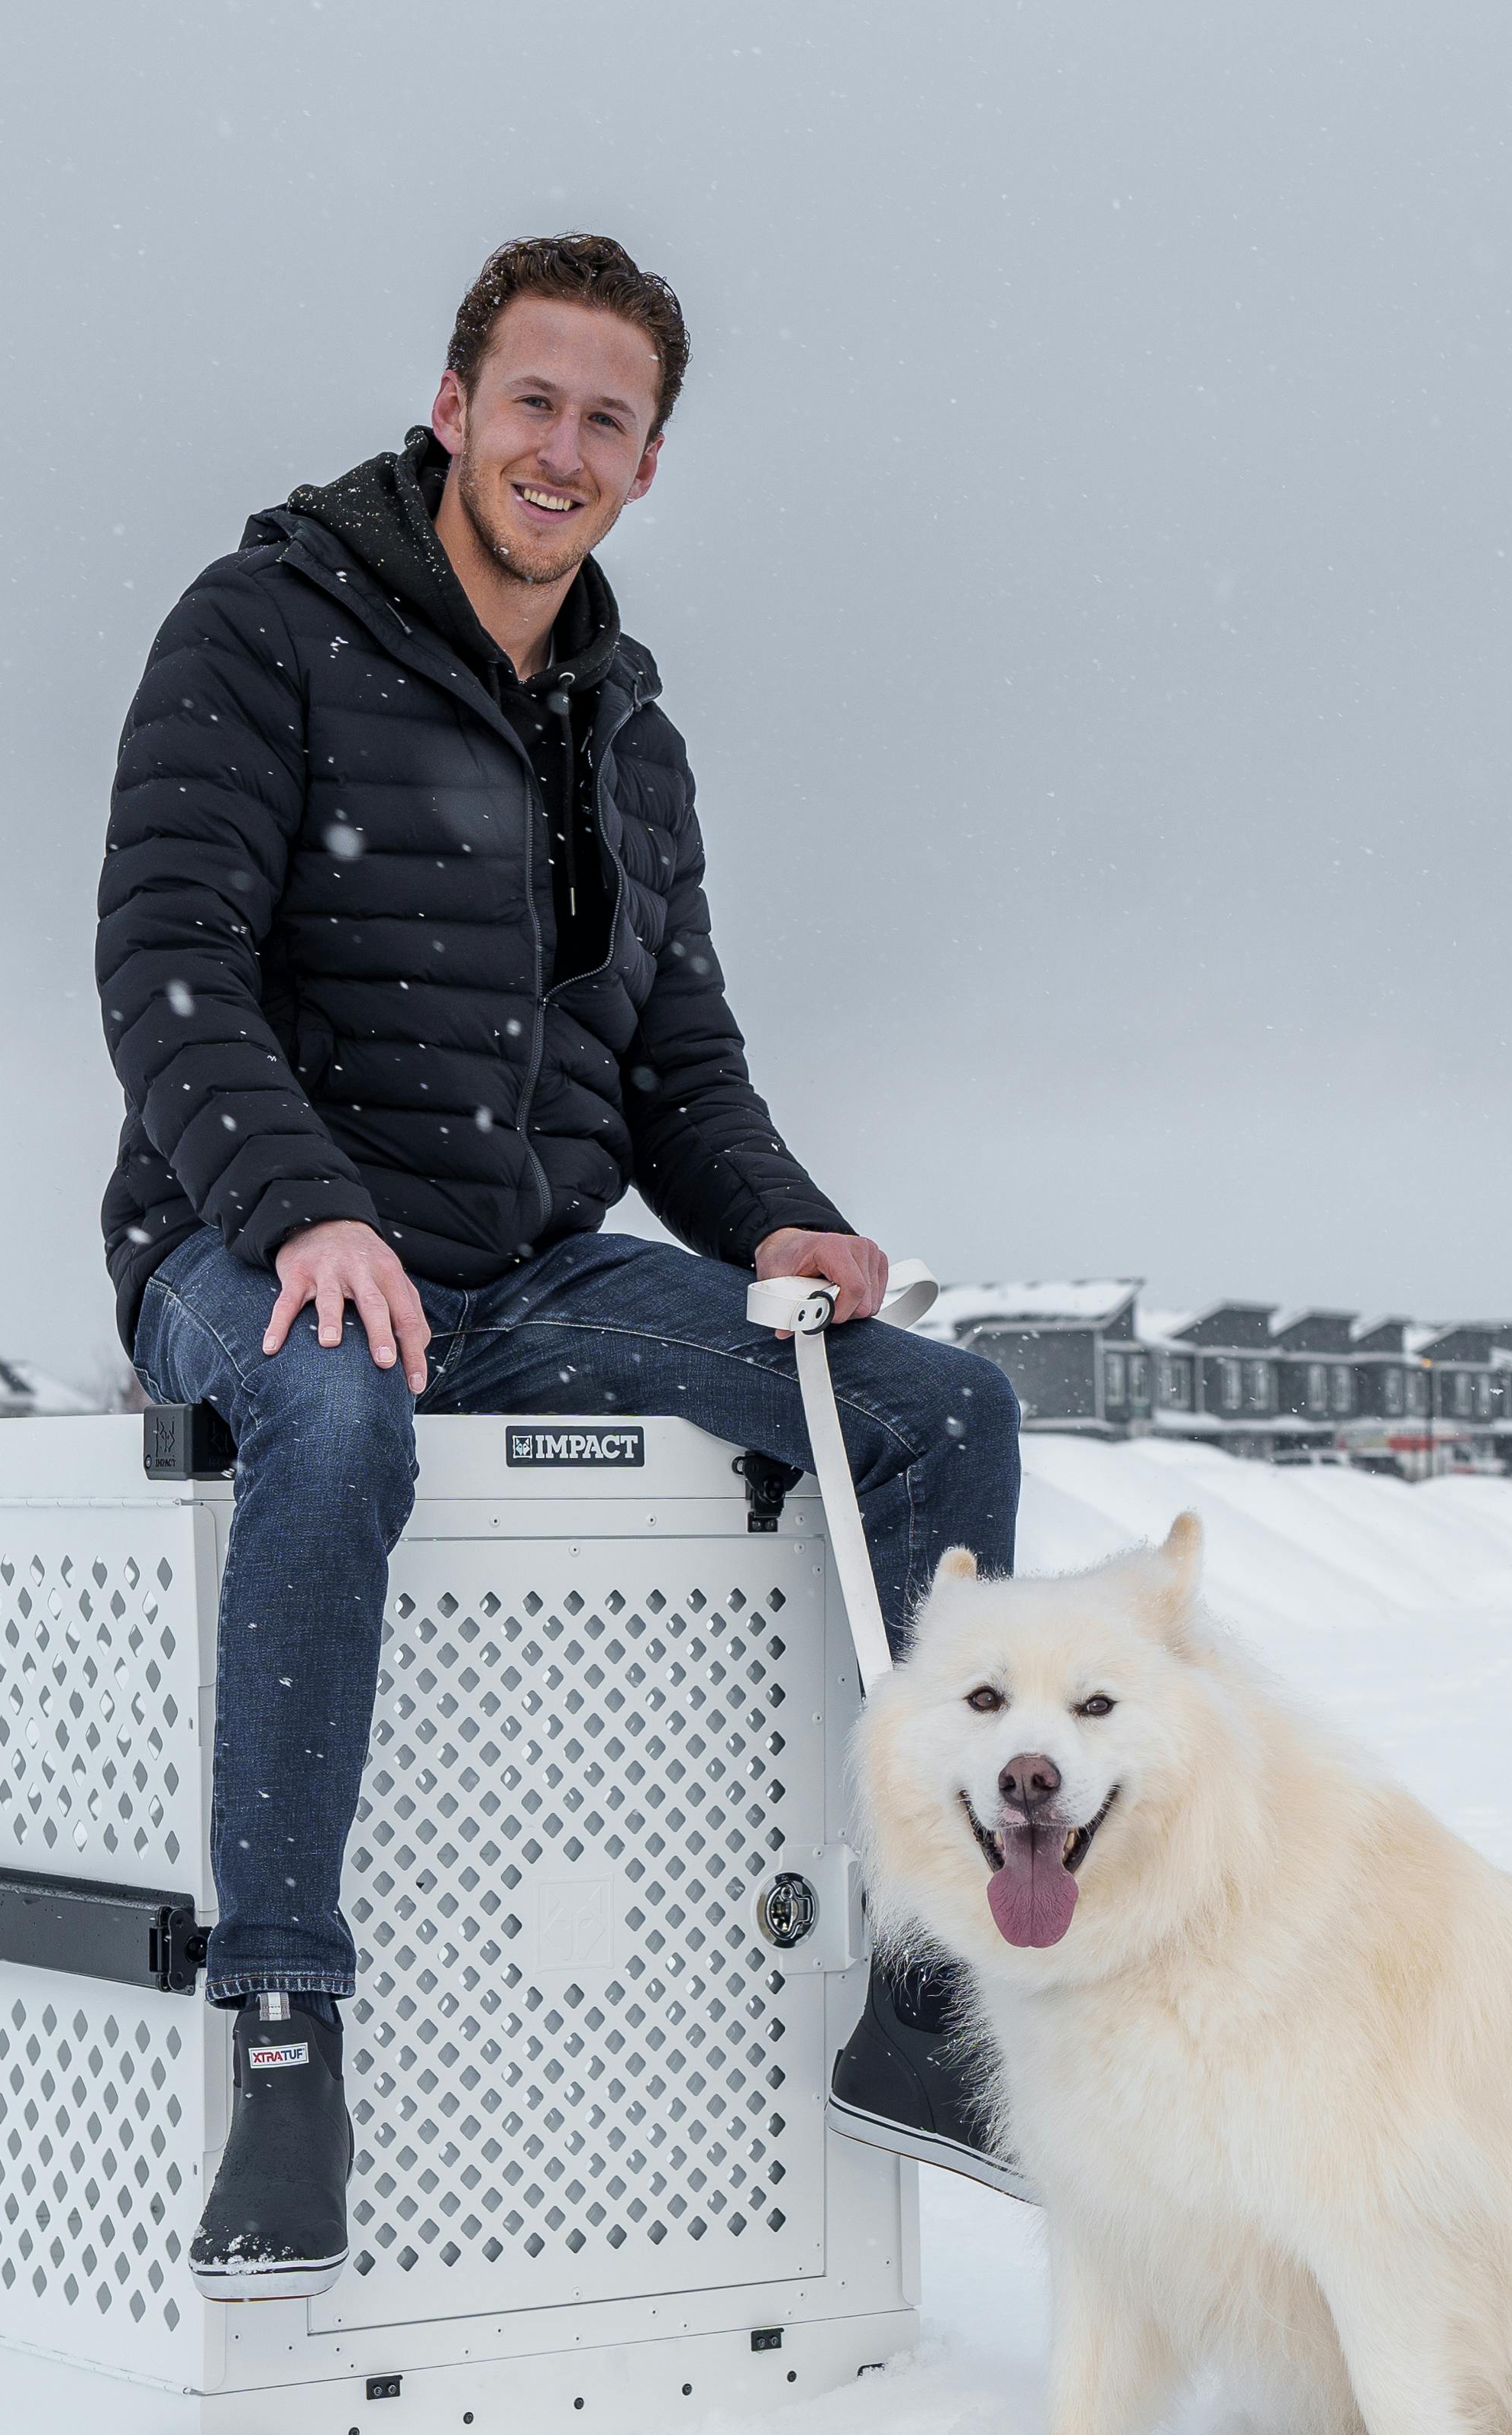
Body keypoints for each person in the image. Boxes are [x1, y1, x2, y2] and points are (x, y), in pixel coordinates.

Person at [96, 234, 1024, 2302]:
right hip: (249, 1234)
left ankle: (920, 1988)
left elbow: (678, 1060)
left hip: (524, 1270)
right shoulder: (263, 630)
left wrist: (780, 1217)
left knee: (940, 1409)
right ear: (451, 409)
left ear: (648, 465)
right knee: (332, 1418)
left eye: (608, 418)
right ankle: (280, 2029)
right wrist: (299, 1208)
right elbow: (167, 968)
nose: (561, 446)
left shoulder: (627, 732)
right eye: (532, 399)